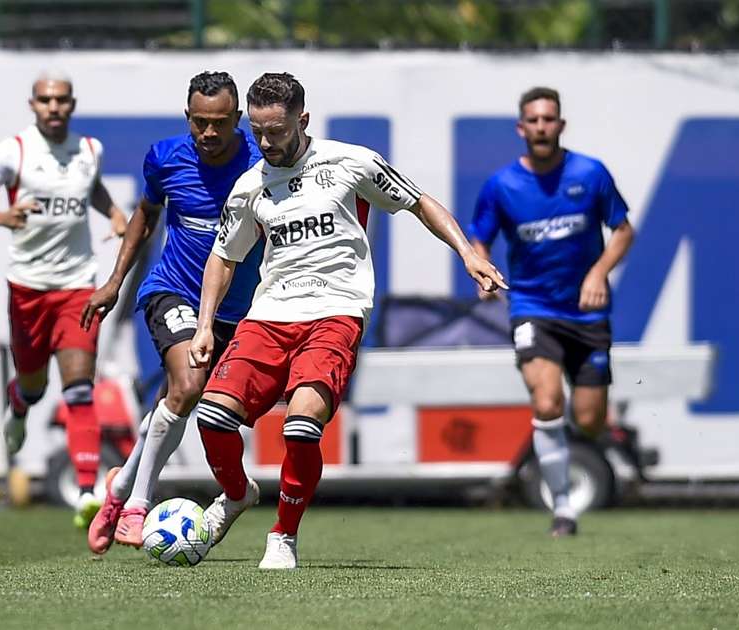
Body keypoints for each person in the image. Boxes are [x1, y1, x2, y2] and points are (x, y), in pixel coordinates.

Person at [187, 72, 506, 569]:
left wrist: (467, 254)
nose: (266, 142)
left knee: (300, 426)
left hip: (335, 313)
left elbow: (420, 201)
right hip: (269, 316)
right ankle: (235, 494)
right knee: (211, 417)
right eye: (257, 132)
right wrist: (206, 325)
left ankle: (283, 535)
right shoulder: (250, 186)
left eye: (276, 130)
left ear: (303, 120)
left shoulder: (352, 162)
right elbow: (223, 257)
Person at [81, 71, 263, 555]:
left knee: (173, 405)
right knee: (188, 385)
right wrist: (116, 281)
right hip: (173, 291)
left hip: (235, 310)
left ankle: (117, 491)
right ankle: (139, 505)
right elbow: (146, 214)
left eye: (220, 123)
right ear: (188, 117)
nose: (209, 133)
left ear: (238, 119)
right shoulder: (165, 158)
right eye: (200, 122)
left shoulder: (262, 164)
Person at [0, 72, 127, 529]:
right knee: (34, 386)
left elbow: (91, 188)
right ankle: (18, 406)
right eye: (46, 100)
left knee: (78, 388)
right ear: (33, 104)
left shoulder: (89, 151)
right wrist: (1, 215)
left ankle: (88, 491)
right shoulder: (12, 152)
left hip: (77, 285)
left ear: (72, 105)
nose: (54, 108)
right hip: (28, 288)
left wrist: (113, 213)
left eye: (62, 101)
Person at [470, 86, 635, 538]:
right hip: (532, 307)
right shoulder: (501, 185)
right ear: (521, 128)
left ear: (560, 125)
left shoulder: (590, 173)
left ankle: (603, 424)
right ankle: (563, 507)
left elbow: (623, 230)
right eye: (534, 120)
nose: (542, 127)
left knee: (589, 420)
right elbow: (479, 236)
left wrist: (599, 272)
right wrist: (482, 268)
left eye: (549, 119)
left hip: (586, 314)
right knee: (546, 403)